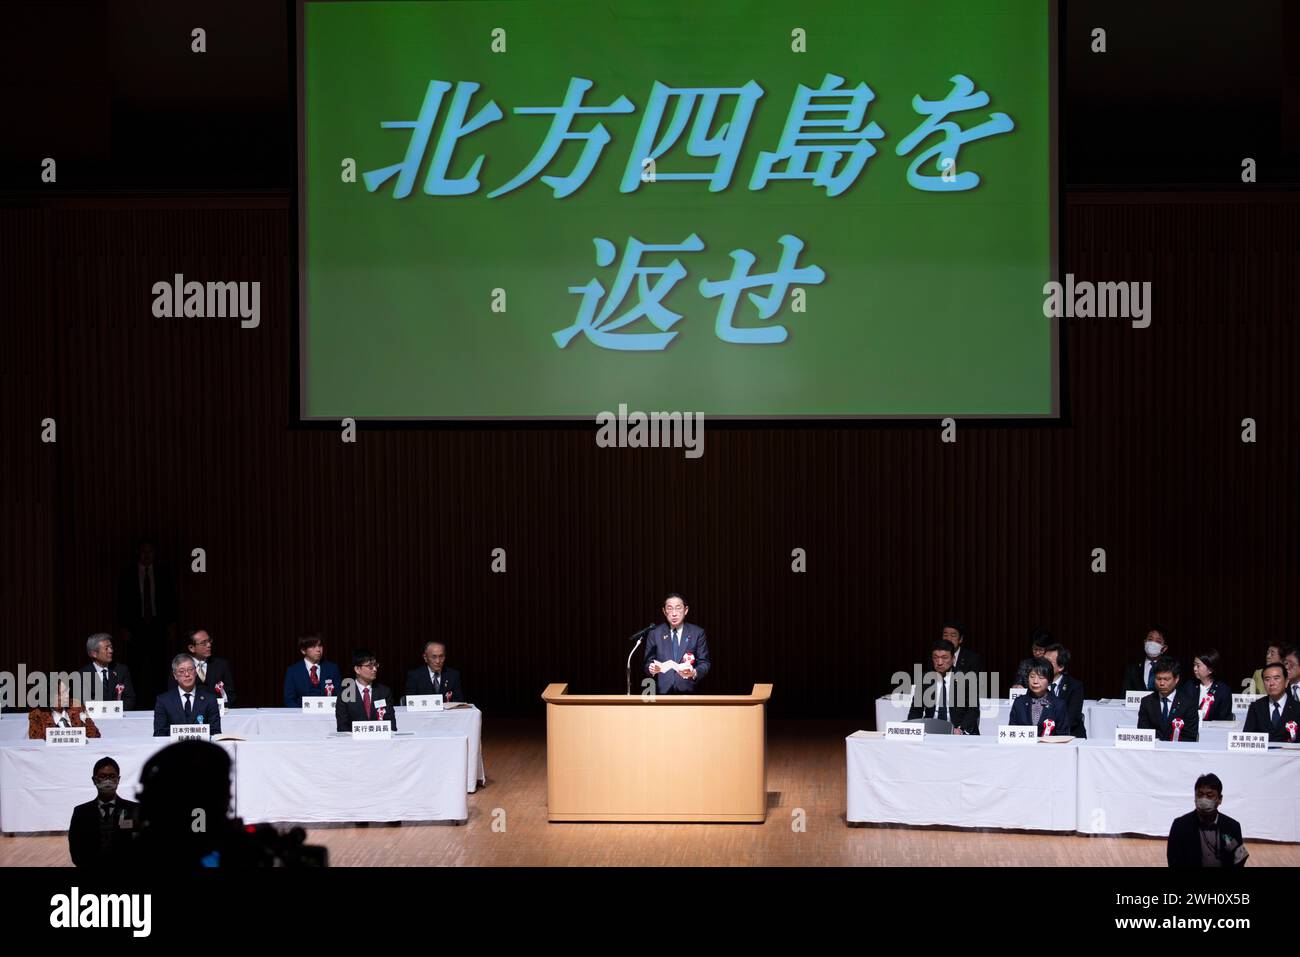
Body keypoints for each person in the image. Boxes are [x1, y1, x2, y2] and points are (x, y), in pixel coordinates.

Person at [115, 537, 176, 705]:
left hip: (158, 626)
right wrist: (123, 627)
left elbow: (171, 600)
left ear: (154, 553)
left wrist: (171, 625)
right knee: (134, 669)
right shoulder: (128, 573)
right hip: (136, 627)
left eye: (149, 552)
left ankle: (162, 704)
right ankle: (134, 705)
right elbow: (122, 602)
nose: (146, 555)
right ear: (138, 553)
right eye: (143, 552)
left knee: (160, 668)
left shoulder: (163, 572)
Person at [68, 757, 138, 867]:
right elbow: (76, 850)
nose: (108, 781)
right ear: (94, 780)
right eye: (102, 776)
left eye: (112, 776)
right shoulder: (81, 812)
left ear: (118, 780)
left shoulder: (134, 810)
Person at [1166, 774, 1247, 868]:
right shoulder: (1180, 826)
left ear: (1220, 799)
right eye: (1200, 795)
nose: (1204, 799)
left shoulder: (1231, 826)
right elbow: (1174, 861)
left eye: (1210, 795)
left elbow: (1240, 857)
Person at [907, 639, 980, 734]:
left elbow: (973, 710)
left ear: (953, 659)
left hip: (957, 730)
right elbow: (916, 710)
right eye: (935, 658)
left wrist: (961, 730)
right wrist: (912, 729)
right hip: (931, 729)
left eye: (944, 657)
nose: (939, 662)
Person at [644, 593, 711, 695]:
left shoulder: (697, 633)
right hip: (662, 693)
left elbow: (705, 663)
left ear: (686, 610)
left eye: (678, 608)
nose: (674, 613)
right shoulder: (655, 633)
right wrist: (651, 668)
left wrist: (693, 672)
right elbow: (647, 663)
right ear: (664, 611)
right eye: (670, 609)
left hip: (689, 692)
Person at [153, 654, 221, 735]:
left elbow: (215, 732)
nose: (187, 674)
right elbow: (159, 733)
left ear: (195, 672)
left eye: (190, 669)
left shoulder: (210, 699)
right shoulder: (163, 701)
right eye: (181, 671)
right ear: (175, 675)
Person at [166, 629, 236, 705]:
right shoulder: (180, 666)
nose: (209, 645)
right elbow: (172, 693)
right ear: (191, 648)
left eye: (209, 641)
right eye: (203, 643)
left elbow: (230, 694)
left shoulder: (222, 665)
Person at [1136, 657, 1199, 741]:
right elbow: (1143, 733)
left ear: (1176, 679)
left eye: (1166, 679)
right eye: (1158, 679)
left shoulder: (1188, 703)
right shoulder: (1147, 702)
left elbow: (1190, 735)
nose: (1162, 683)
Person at [336, 649, 397, 731]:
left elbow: (391, 724)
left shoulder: (384, 692)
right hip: (354, 742)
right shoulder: (346, 694)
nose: (375, 669)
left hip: (381, 740)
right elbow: (342, 727)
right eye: (370, 666)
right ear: (357, 669)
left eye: (376, 665)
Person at [1008, 660, 1071, 736]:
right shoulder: (1019, 702)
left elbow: (1063, 735)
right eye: (1032, 677)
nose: (1035, 681)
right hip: (1023, 747)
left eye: (1041, 677)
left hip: (1050, 747)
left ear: (1050, 681)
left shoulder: (1058, 704)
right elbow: (1011, 732)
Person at [1242, 662, 1300, 741]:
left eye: (1276, 678)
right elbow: (1247, 737)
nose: (1271, 683)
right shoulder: (1256, 707)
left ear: (1286, 682)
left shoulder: (1297, 708)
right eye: (1267, 679)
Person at [78, 633, 137, 711]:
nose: (111, 651)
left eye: (111, 647)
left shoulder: (121, 670)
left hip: (119, 718)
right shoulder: (83, 674)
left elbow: (130, 699)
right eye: (106, 648)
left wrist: (113, 711)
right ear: (94, 654)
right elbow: (83, 703)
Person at [283, 633, 343, 707]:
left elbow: (339, 695)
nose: (318, 650)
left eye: (320, 646)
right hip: (301, 715)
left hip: (328, 714)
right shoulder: (293, 671)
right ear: (303, 651)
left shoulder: (332, 668)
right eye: (313, 646)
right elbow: (289, 700)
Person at [28, 679, 100, 739]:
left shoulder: (77, 706)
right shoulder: (37, 714)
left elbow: (95, 734)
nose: (67, 696)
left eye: (67, 691)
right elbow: (36, 742)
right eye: (62, 693)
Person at [1041, 642, 1086, 737]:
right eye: (1043, 661)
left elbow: (1071, 718)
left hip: (1069, 736)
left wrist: (1050, 733)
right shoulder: (1036, 683)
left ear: (1061, 667)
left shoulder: (1075, 686)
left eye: (1048, 662)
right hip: (1041, 735)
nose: (1043, 665)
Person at [1186, 649, 1233, 721]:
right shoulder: (1189, 685)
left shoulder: (1223, 690)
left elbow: (1224, 718)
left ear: (1210, 670)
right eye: (1194, 665)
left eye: (1198, 666)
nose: (1194, 669)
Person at [1123, 627, 1169, 692]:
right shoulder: (1132, 668)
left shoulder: (1170, 667)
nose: (1153, 643)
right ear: (1145, 642)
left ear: (1164, 648)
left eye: (1158, 641)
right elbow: (1125, 694)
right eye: (1150, 639)